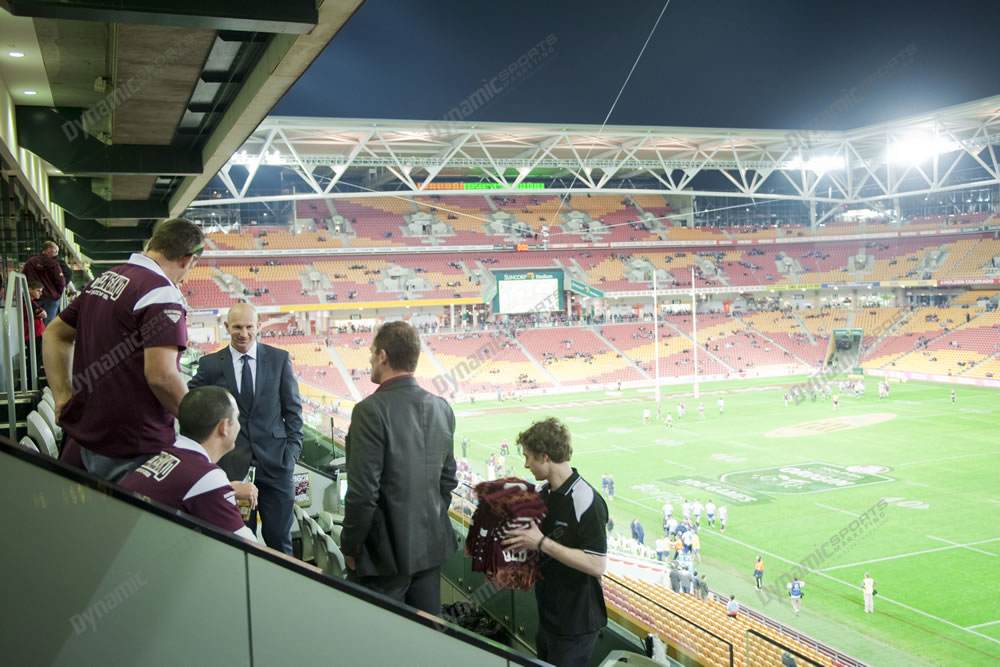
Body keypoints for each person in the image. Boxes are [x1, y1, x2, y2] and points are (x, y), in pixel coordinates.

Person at [44, 218, 204, 482]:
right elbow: (162, 377)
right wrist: (199, 429)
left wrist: (62, 396)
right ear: (188, 260)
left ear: (153, 243)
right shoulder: (161, 293)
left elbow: (54, 333)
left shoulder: (107, 278)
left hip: (88, 436)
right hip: (133, 446)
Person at [340, 321, 458, 615]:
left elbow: (363, 493)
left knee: (384, 643)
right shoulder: (442, 407)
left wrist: (351, 545)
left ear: (382, 356)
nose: (369, 360)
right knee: (428, 638)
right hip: (431, 549)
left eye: (371, 354)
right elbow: (447, 481)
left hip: (383, 557)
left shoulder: (370, 410)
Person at [188, 303, 303, 554]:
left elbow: (293, 412)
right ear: (227, 327)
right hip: (231, 469)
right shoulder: (210, 365)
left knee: (280, 542)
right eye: (237, 327)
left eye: (249, 327)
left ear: (258, 327)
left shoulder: (279, 359)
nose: (244, 333)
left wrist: (291, 454)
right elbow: (188, 402)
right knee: (237, 543)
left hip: (276, 467)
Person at [502, 417, 608, 667]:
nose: (526, 464)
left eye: (528, 456)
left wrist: (541, 543)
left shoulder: (586, 500)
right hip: (549, 616)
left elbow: (597, 565)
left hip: (576, 624)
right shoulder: (543, 494)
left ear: (545, 456)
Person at [120, 387, 257, 541]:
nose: (239, 426)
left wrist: (227, 489)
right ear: (224, 427)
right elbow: (250, 548)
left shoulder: (169, 456)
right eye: (237, 419)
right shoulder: (207, 476)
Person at [22, 240, 65, 324]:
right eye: (55, 250)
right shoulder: (54, 264)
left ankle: (36, 337)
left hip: (34, 298)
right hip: (51, 299)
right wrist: (57, 294)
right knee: (48, 325)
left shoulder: (30, 262)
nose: (57, 253)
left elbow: (23, 278)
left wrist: (29, 291)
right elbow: (61, 282)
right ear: (48, 249)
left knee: (33, 324)